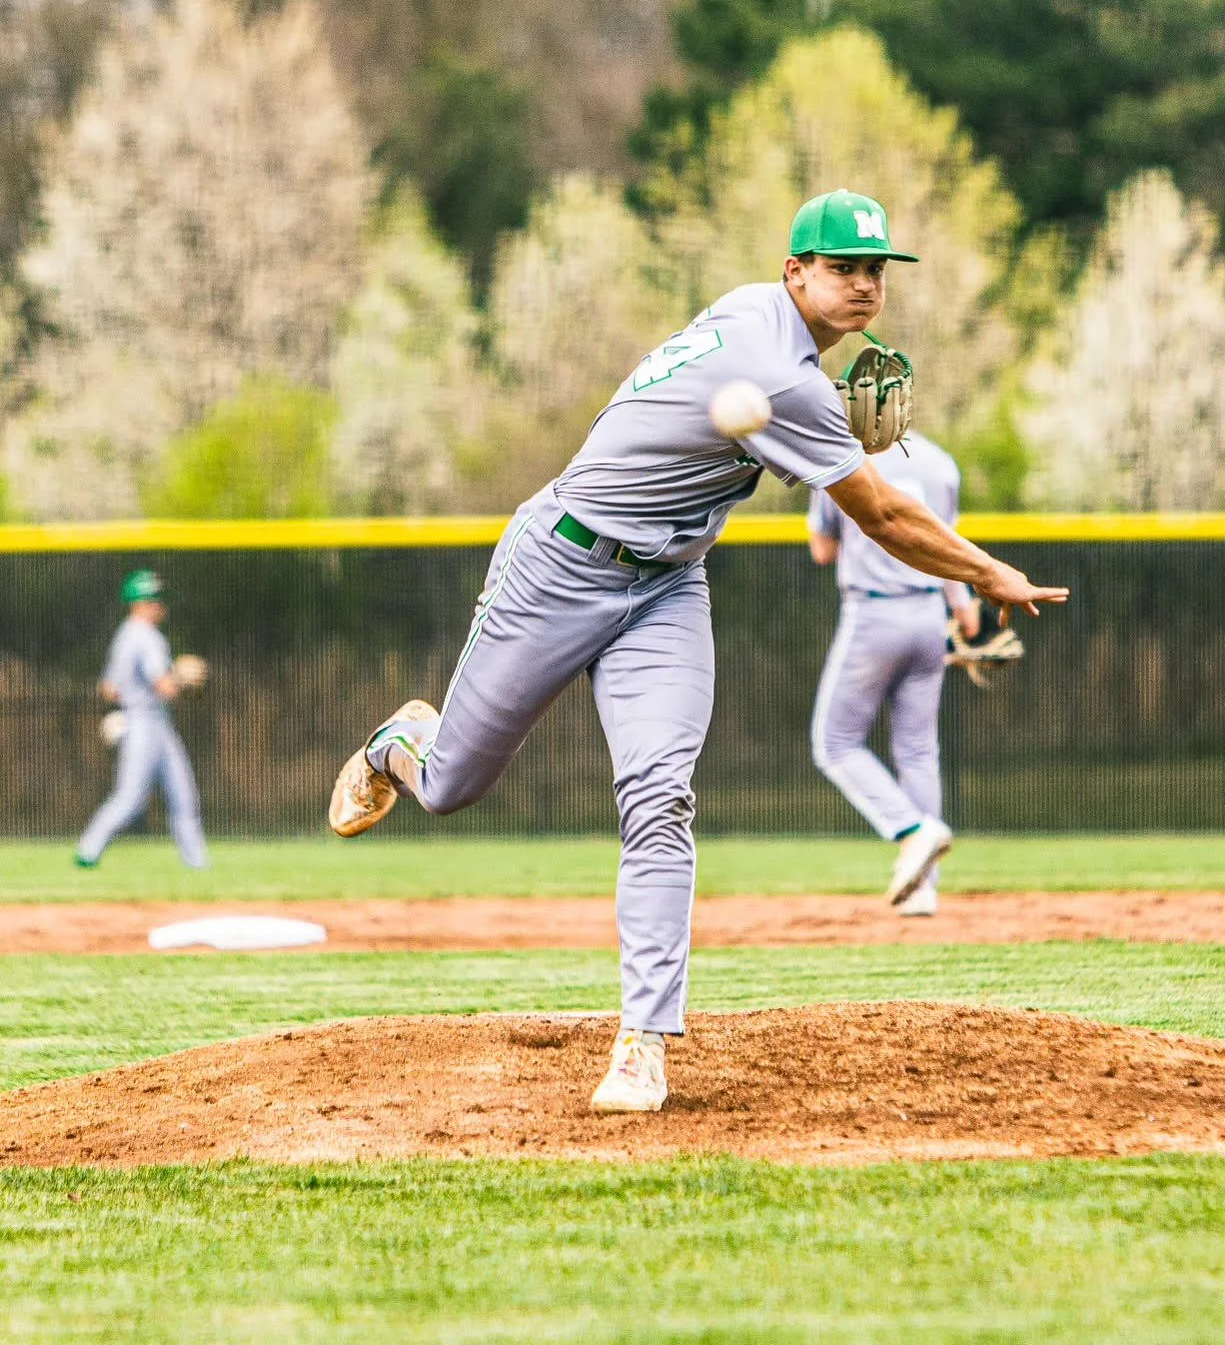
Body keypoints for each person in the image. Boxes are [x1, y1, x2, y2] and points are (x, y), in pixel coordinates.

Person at [328, 188, 1068, 1112]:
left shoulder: (759, 326)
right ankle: (396, 744)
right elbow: (878, 513)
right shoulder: (787, 377)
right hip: (559, 564)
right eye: (842, 267)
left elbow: (769, 423)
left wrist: (809, 431)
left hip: (667, 584)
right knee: (450, 785)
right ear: (793, 269)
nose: (864, 285)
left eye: (875, 269)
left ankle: (641, 1043)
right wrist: (986, 573)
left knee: (660, 792)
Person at [808, 433, 980, 916]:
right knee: (919, 751)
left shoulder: (836, 458)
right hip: (929, 614)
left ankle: (912, 830)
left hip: (874, 614)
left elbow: (822, 550)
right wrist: (963, 607)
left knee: (835, 742)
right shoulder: (941, 462)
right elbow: (946, 546)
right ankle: (924, 889)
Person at [75, 569, 208, 870]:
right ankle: (88, 849)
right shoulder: (147, 637)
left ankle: (198, 864)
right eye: (154, 599)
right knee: (133, 797)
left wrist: (128, 705)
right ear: (140, 603)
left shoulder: (124, 636)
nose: (160, 605)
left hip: (148, 721)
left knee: (182, 793)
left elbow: (108, 689)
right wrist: (181, 676)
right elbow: (166, 687)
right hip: (146, 723)